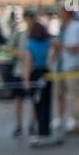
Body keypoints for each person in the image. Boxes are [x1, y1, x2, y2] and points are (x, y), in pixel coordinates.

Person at [24, 18, 58, 146]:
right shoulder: (48, 42)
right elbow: (53, 55)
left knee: (37, 104)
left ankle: (39, 129)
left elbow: (28, 61)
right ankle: (46, 130)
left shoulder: (30, 43)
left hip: (35, 74)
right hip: (46, 73)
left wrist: (26, 79)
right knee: (47, 103)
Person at [56, 6, 79, 134]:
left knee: (75, 95)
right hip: (67, 65)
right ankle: (73, 120)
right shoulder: (67, 27)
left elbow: (74, 48)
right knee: (71, 94)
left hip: (74, 65)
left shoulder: (75, 27)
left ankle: (78, 123)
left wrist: (60, 46)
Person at [8, 10, 36, 137]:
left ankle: (32, 124)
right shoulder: (19, 34)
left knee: (35, 99)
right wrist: (22, 55)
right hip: (19, 70)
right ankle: (18, 124)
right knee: (18, 99)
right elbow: (9, 49)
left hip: (34, 70)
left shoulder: (38, 34)